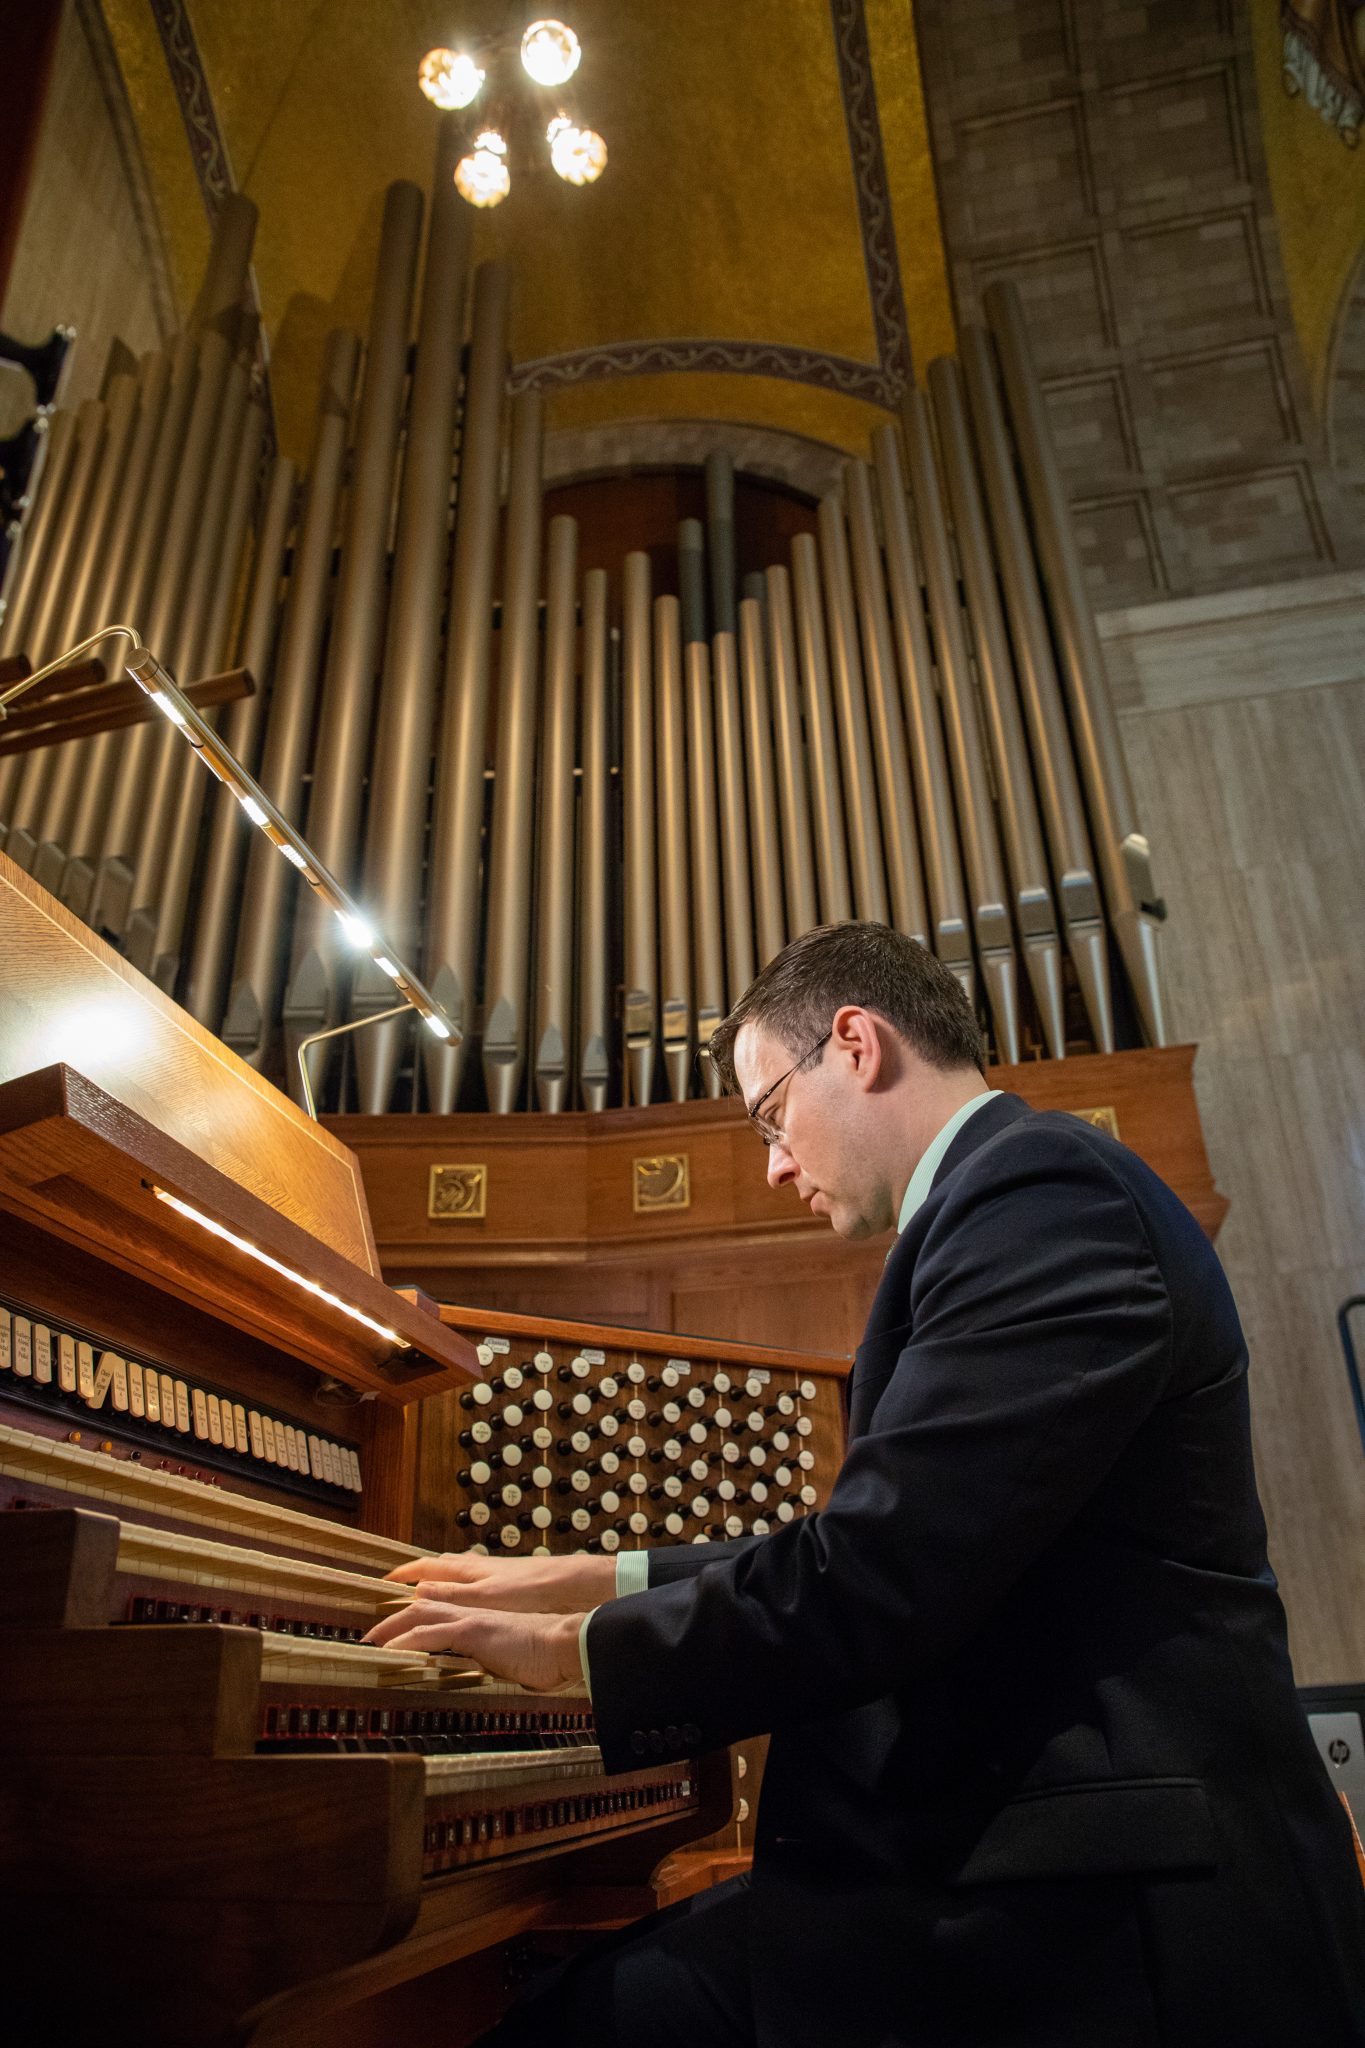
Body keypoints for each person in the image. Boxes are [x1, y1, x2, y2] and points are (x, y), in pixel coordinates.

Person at [367, 922, 1365, 2046]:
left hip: (1103, 1914)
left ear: (856, 1043)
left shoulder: (1043, 1191)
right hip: (1017, 1860)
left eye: (768, 1115)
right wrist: (586, 1574)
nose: (775, 1163)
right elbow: (891, 1536)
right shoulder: (1006, 1204)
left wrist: (574, 1651)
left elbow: (880, 1574)